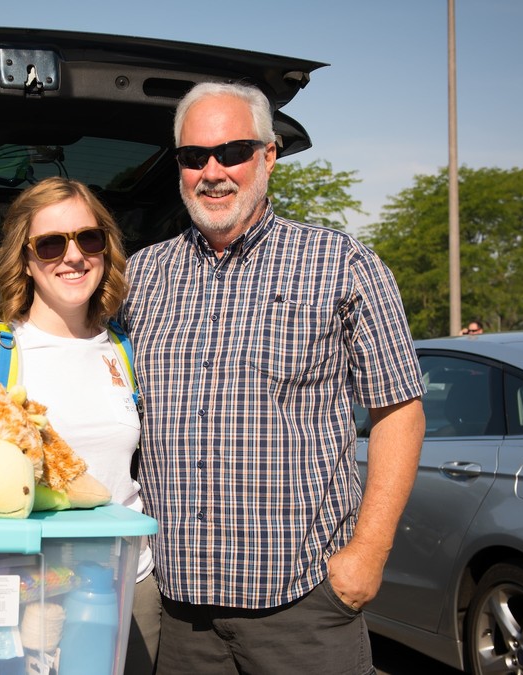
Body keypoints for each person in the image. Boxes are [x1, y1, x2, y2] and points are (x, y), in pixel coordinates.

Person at [121, 82, 426, 674]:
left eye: (232, 151)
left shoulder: (342, 263)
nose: (212, 172)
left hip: (305, 606)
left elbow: (400, 411)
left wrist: (368, 553)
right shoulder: (142, 277)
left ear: (268, 155)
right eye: (193, 157)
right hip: (179, 614)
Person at [0, 176, 160, 675]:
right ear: (26, 260)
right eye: (51, 243)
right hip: (19, 589)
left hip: (126, 583)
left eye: (88, 238)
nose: (73, 256)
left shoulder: (125, 349)